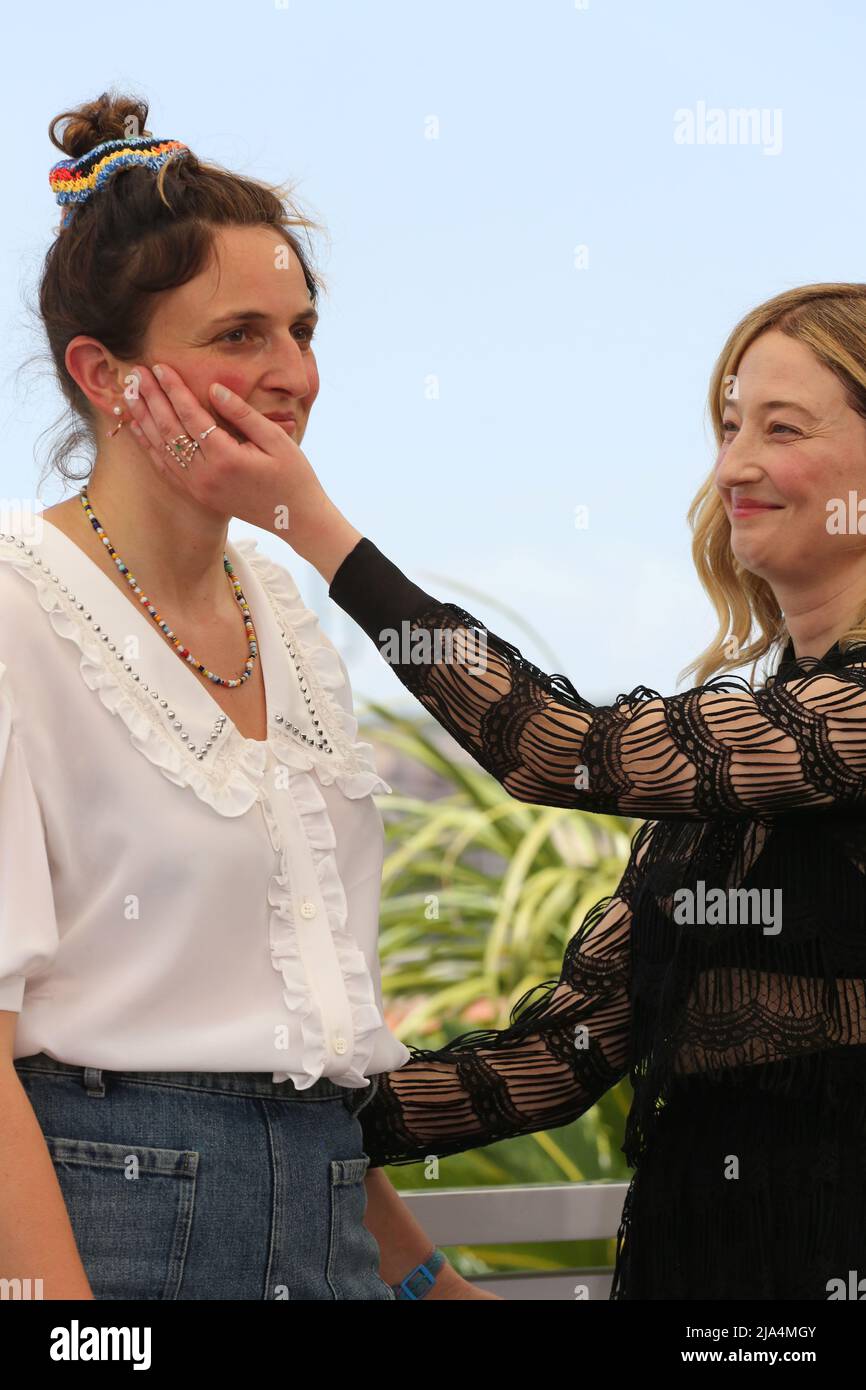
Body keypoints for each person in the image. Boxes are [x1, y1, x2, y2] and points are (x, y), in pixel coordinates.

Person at [125, 279, 866, 1300]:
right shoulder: (730, 770)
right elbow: (552, 1060)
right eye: (728, 425)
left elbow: (561, 746)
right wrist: (187, 1097)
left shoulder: (822, 728)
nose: (732, 465)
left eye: (778, 429)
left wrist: (311, 526)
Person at [0, 90, 488, 1301]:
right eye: (240, 335)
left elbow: (290, 1052)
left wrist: (426, 1284)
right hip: (106, 1229)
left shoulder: (283, 600)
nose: (294, 374)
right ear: (102, 372)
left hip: (326, 1220)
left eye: (303, 328)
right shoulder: (14, 608)